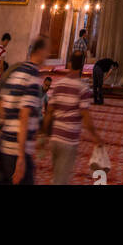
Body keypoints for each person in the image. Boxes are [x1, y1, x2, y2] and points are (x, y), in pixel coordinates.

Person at [0, 35, 48, 185]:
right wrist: (22, 156)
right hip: (17, 151)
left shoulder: (16, 71)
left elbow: (0, 105)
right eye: (47, 51)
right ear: (40, 51)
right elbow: (25, 116)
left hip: (5, 145)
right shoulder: (32, 77)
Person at [46, 49, 99, 184]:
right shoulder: (82, 88)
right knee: (61, 180)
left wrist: (43, 133)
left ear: (69, 64)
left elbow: (49, 111)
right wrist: (95, 136)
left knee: (56, 176)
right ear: (82, 66)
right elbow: (85, 114)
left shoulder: (58, 85)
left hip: (55, 137)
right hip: (68, 140)